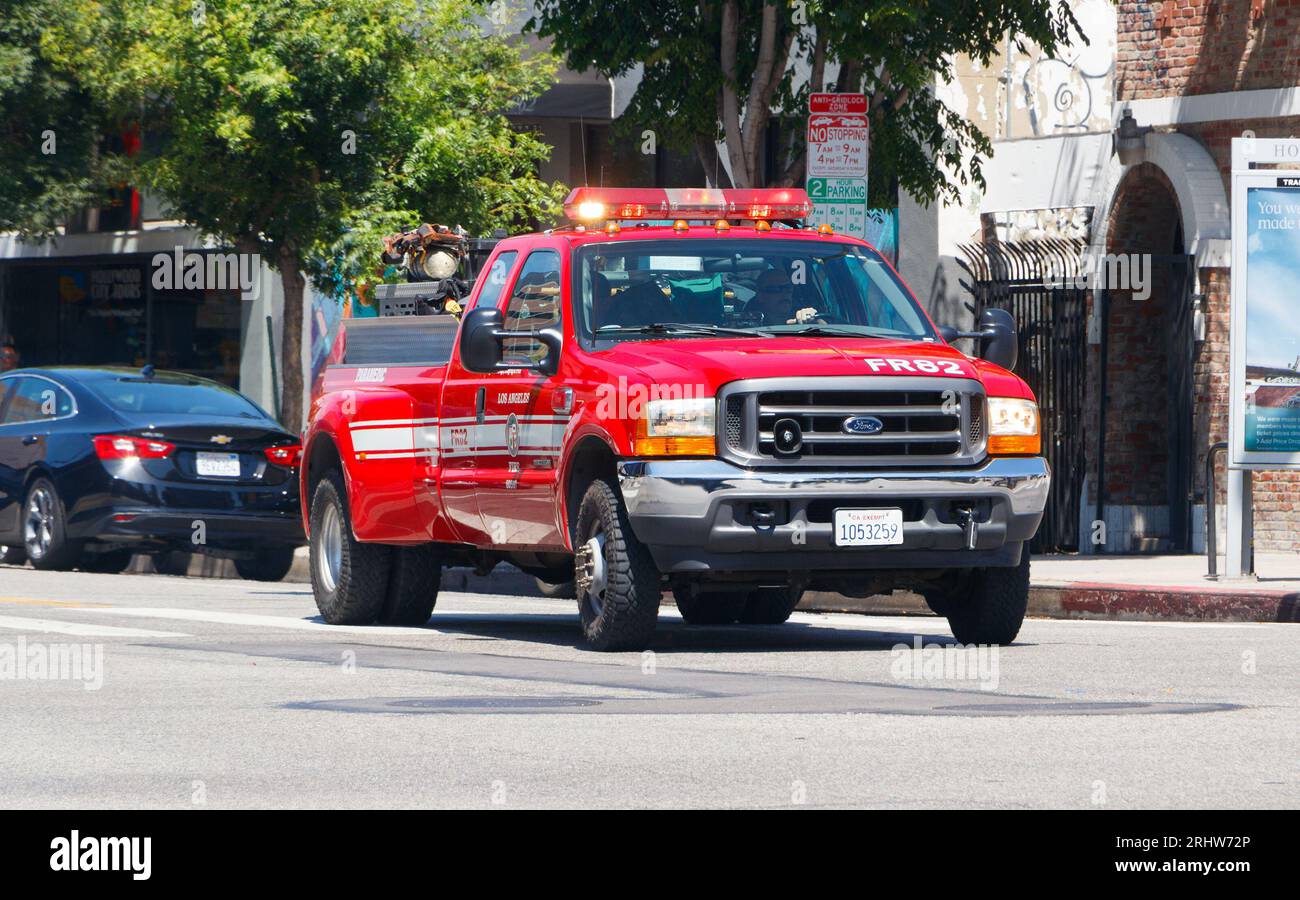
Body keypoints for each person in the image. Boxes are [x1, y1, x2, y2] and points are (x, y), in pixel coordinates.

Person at [748, 269, 819, 325]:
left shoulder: (804, 316)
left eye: (788, 288)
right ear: (760, 296)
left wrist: (816, 320)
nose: (785, 293)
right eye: (775, 289)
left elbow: (827, 330)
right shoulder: (745, 324)